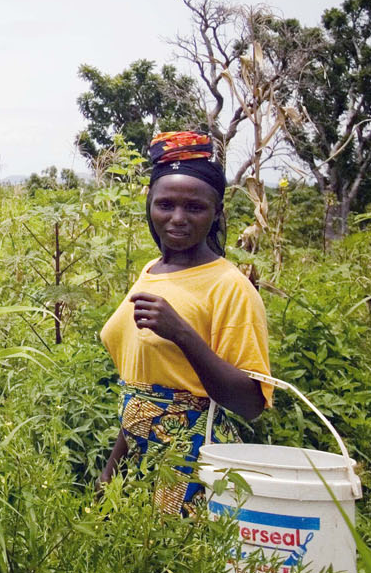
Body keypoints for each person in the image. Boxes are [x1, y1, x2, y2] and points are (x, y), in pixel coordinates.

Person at [96, 131, 272, 512]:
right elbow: (142, 391)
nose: (177, 218)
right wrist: (110, 473)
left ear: (216, 214)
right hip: (142, 463)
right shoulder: (152, 270)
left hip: (194, 464)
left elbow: (251, 402)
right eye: (166, 205)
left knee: (180, 567)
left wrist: (181, 333)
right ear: (150, 206)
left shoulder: (230, 287)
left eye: (194, 207)